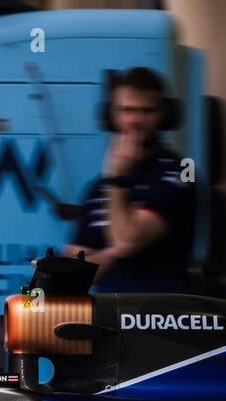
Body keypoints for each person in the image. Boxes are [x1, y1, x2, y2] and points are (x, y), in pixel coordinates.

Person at [65, 66, 196, 293]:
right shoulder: (97, 187)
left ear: (164, 115)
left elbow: (127, 238)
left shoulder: (182, 171)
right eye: (127, 110)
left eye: (146, 111)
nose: (136, 120)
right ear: (111, 115)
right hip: (109, 318)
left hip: (162, 318)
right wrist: (115, 251)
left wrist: (117, 181)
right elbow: (74, 272)